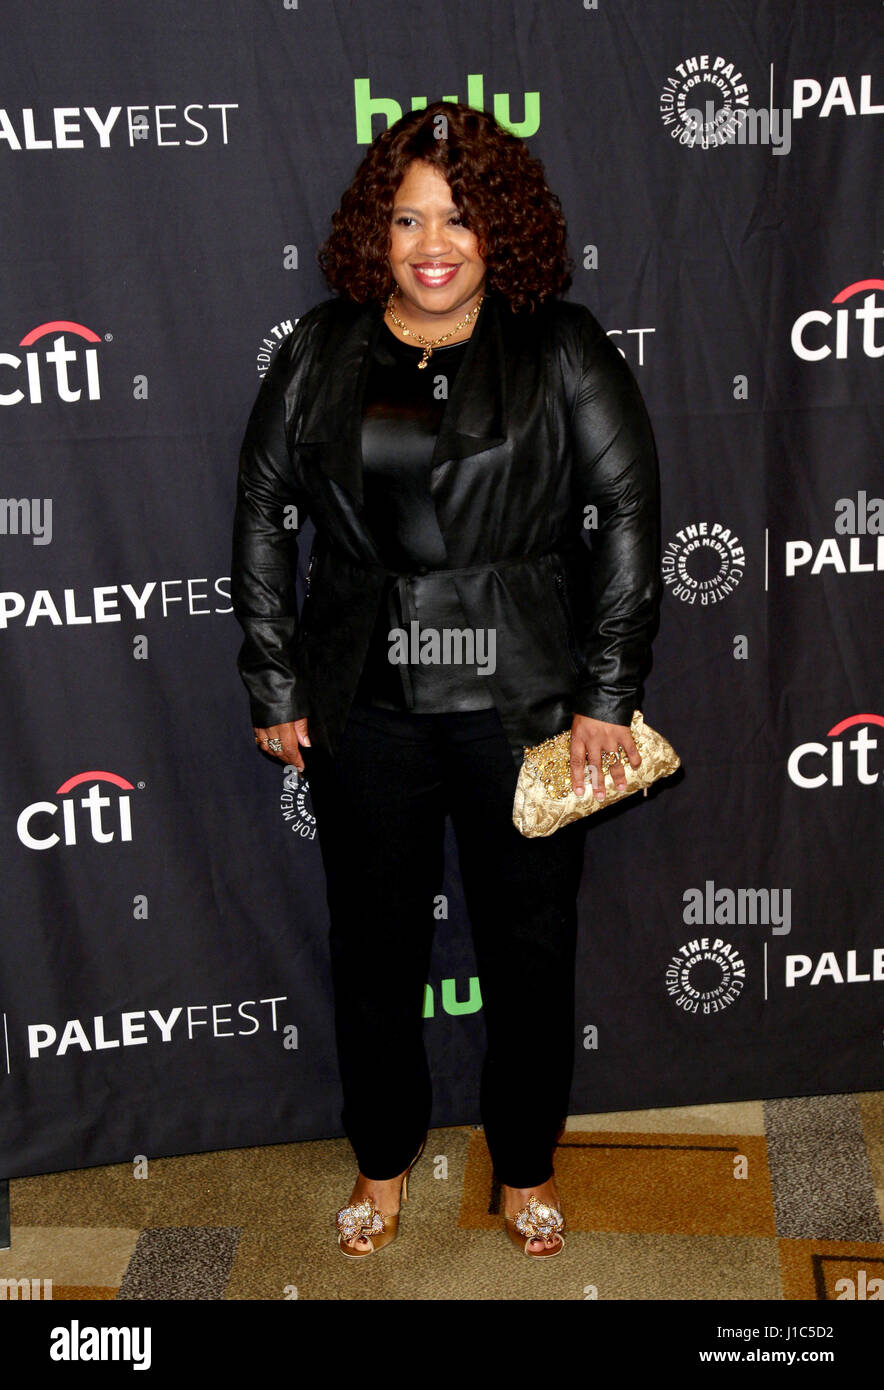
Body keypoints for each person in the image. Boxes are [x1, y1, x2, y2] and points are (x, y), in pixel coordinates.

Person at [231, 101, 662, 1260]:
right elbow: (264, 519)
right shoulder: (318, 349)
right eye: (409, 216)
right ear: (376, 230)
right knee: (371, 947)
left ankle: (523, 1164)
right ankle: (381, 1160)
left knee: (529, 946)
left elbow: (625, 517)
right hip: (364, 701)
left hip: (522, 703)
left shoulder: (559, 344)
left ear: (498, 229)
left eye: (460, 217)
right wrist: (275, 682)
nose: (433, 241)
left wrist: (605, 694)